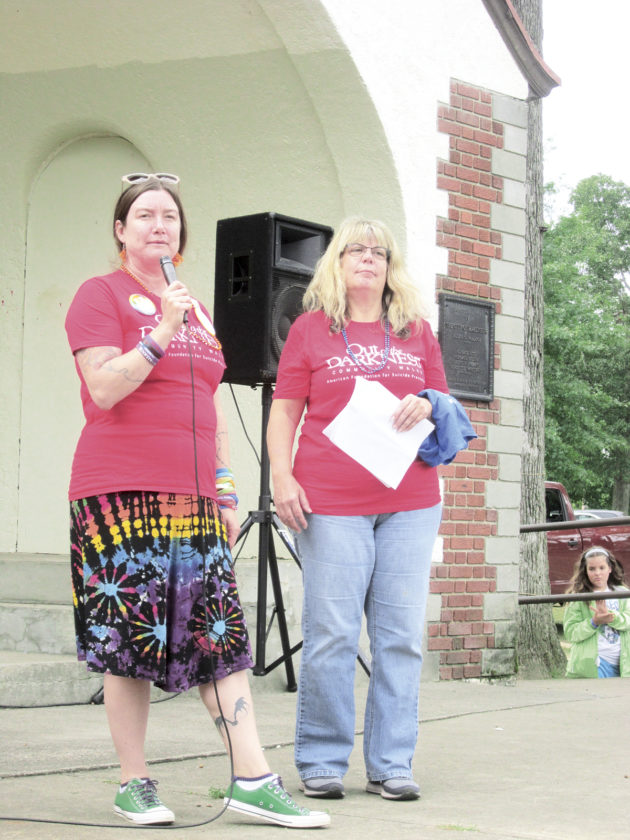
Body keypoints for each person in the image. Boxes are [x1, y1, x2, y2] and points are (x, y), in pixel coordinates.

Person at [64, 173, 329, 829]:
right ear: (121, 230)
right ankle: (134, 783)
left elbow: (208, 405)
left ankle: (252, 779)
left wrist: (227, 487)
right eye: (145, 215)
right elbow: (103, 387)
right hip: (119, 493)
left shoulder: (198, 310)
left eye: (170, 217)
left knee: (219, 635)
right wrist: (160, 331)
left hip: (197, 499)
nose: (160, 225)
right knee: (129, 640)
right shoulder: (100, 294)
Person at [266, 217, 450, 802]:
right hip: (331, 501)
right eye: (356, 249)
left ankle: (392, 763)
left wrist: (428, 405)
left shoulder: (416, 330)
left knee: (400, 638)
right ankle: (322, 760)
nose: (368, 258)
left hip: (410, 501)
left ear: (391, 266)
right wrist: (281, 476)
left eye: (379, 251)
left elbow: (442, 399)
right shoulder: (310, 330)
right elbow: (285, 410)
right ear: (337, 262)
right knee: (332, 635)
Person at [563, 546, 630, 678]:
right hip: (596, 664)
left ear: (610, 568)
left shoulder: (622, 593)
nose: (597, 573)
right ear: (585, 571)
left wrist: (612, 618)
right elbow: (571, 632)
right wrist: (594, 622)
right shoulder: (578, 597)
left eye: (602, 568)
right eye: (592, 569)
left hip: (624, 664)